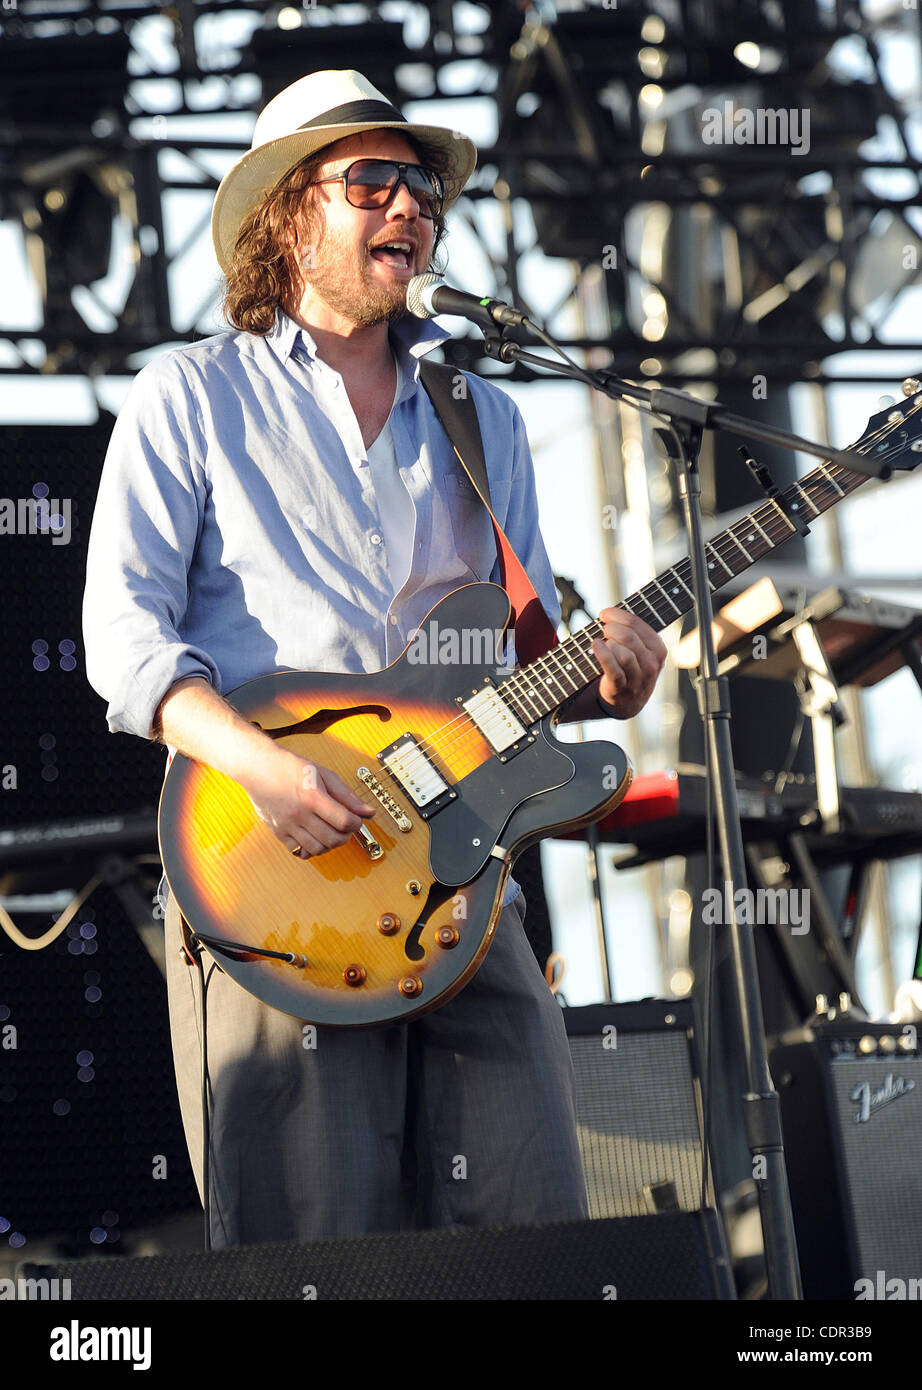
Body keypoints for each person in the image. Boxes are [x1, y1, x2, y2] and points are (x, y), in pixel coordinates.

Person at [83, 69, 667, 1248]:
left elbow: (516, 660)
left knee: (532, 1233)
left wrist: (599, 669)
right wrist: (263, 768)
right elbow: (126, 643)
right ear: (289, 215)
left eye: (422, 190)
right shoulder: (187, 398)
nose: (409, 208)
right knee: (318, 1245)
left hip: (466, 874)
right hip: (273, 866)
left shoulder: (484, 415)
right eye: (374, 183)